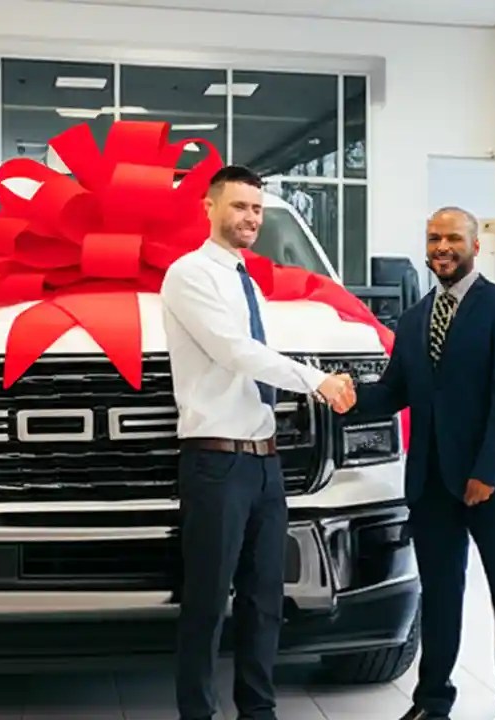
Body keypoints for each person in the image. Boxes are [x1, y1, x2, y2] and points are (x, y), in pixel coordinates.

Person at [160, 164, 356, 720]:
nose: (249, 217)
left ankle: (258, 711)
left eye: (256, 209)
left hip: (265, 463)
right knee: (205, 602)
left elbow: (258, 354)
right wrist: (317, 381)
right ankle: (198, 712)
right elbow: (235, 351)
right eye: (239, 206)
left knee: (264, 600)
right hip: (216, 461)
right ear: (209, 207)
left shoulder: (248, 281)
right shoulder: (190, 274)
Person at [349, 206, 495, 720]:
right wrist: (344, 395)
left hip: (493, 483)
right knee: (438, 599)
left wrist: (489, 472)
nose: (442, 247)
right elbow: (394, 392)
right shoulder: (413, 320)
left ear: (475, 246)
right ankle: (432, 702)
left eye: (453, 238)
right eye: (434, 238)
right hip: (431, 483)